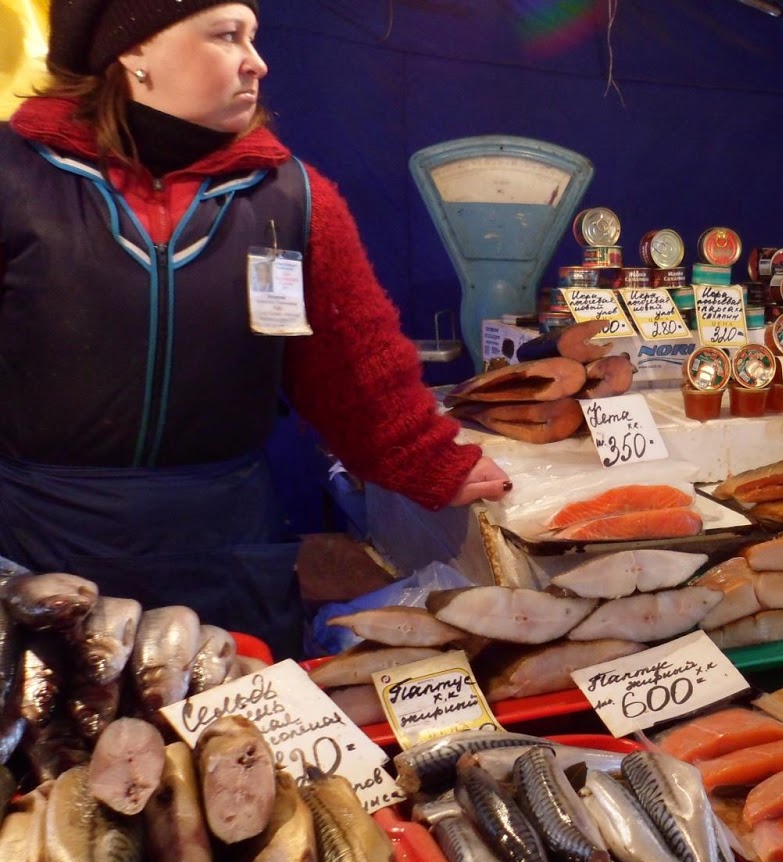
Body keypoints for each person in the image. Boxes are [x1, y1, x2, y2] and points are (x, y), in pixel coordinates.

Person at [0, 0, 511, 657]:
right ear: (132, 52)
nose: (257, 61)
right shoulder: (14, 179)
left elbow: (357, 371)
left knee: (234, 748)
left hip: (224, 547)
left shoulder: (293, 198)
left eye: (254, 36)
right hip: (39, 547)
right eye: (226, 35)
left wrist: (433, 460)